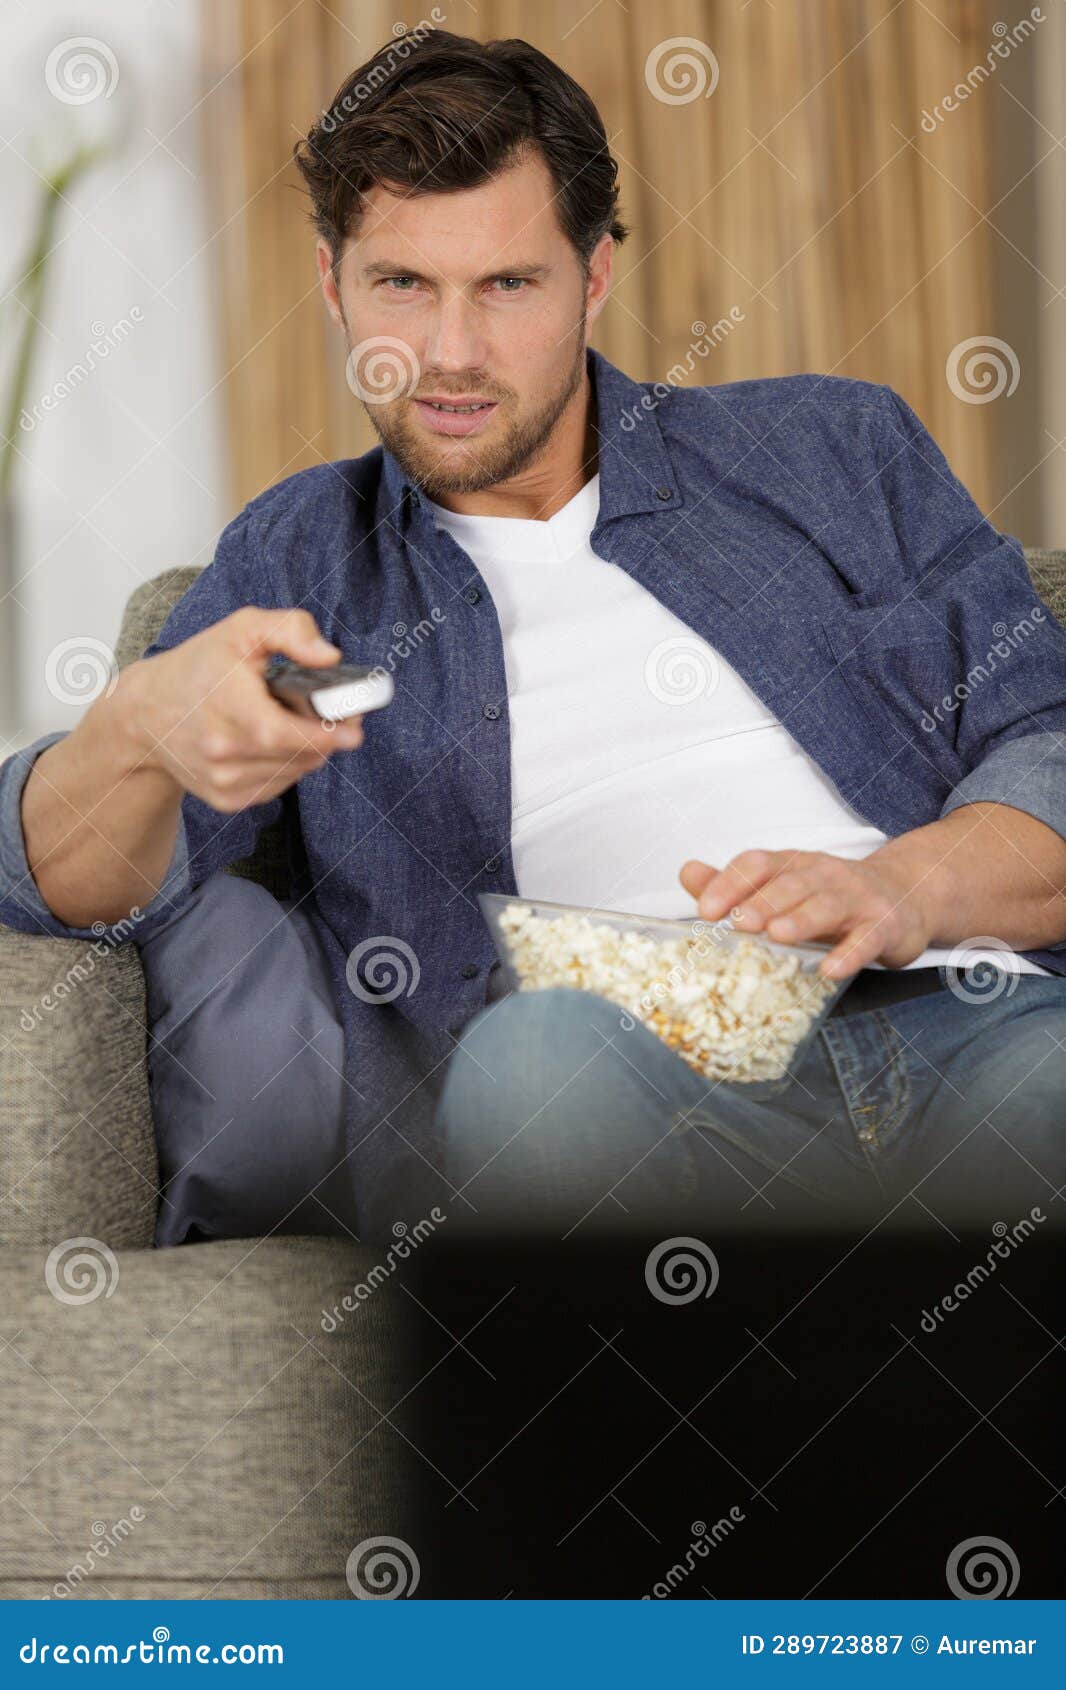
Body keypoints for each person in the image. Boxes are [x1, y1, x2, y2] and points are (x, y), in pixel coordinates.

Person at [2, 29, 1065, 1248]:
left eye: (507, 285)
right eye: (403, 284)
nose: (449, 354)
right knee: (533, 1070)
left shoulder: (832, 449)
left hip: (973, 1027)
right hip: (616, 1078)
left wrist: (903, 886)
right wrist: (140, 727)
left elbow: (1045, 731)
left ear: (593, 276)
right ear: (333, 284)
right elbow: (64, 883)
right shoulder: (299, 560)